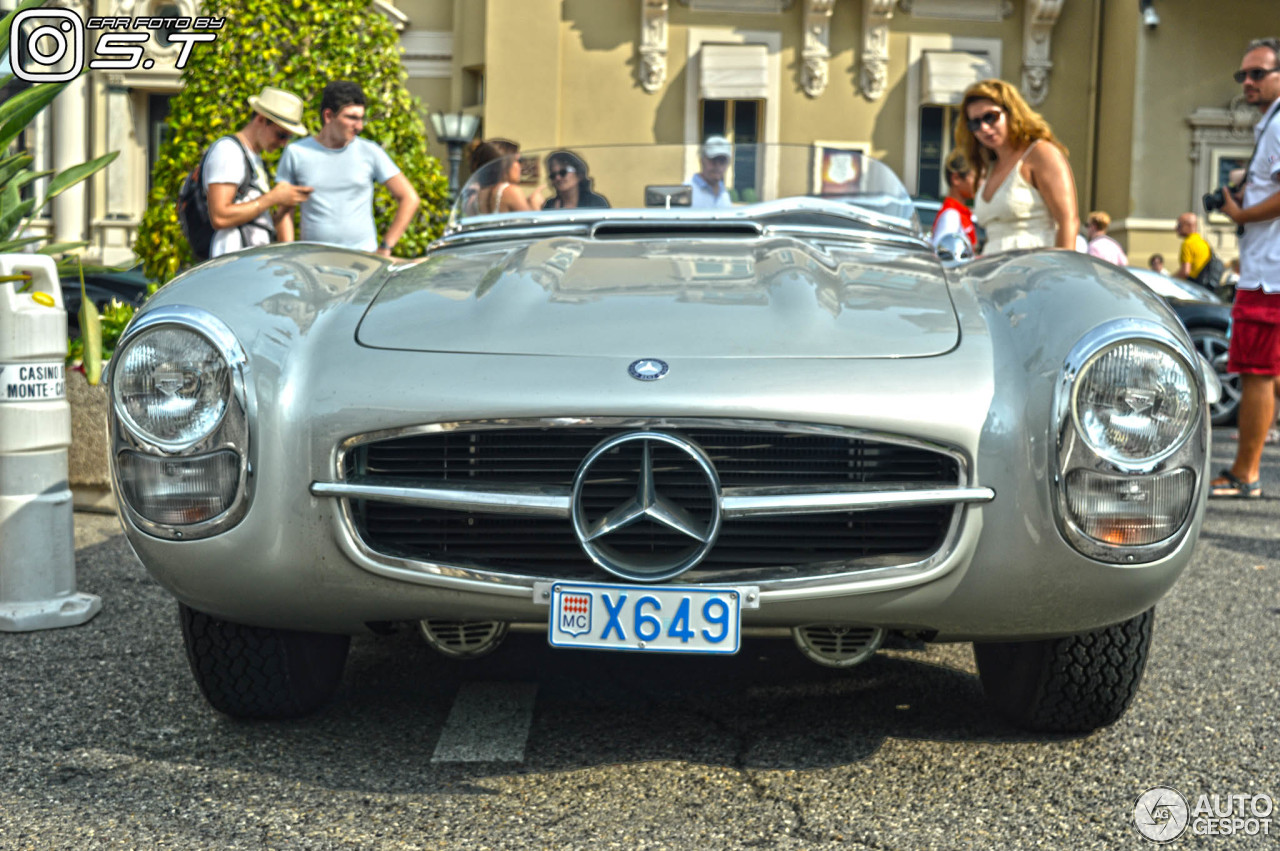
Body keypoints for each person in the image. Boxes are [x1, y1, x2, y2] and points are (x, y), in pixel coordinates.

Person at [1209, 37, 1280, 498]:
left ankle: (1244, 473)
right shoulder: (1269, 125)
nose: (1248, 82)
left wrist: (1240, 214)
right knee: (1269, 373)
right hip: (1267, 268)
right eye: (1243, 75)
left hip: (1268, 274)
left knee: (1256, 371)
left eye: (1258, 73)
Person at [275, 81, 420, 257]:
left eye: (361, 118)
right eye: (352, 117)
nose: (359, 126)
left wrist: (386, 247)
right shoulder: (296, 153)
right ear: (328, 116)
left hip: (364, 261)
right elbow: (284, 210)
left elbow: (409, 198)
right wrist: (289, 255)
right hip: (313, 262)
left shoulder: (370, 151)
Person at [957, 79, 1079, 252]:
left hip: (1035, 269)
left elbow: (1068, 221)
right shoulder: (990, 166)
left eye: (990, 117)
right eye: (975, 123)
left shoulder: (1040, 154)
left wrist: (1062, 273)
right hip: (993, 271)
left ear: (1011, 113)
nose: (984, 128)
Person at [204, 86, 313, 258]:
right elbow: (220, 217)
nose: (284, 143)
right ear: (261, 119)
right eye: (281, 135)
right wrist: (273, 198)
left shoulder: (254, 158)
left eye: (288, 137)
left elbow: (257, 222)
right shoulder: (228, 151)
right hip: (231, 266)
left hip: (248, 266)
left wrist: (284, 205)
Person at [464, 140, 541, 215]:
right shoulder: (510, 191)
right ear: (505, 164)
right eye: (518, 161)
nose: (520, 166)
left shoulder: (474, 198)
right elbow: (532, 224)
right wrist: (535, 205)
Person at [930, 149, 977, 251]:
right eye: (974, 177)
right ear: (956, 179)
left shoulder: (960, 213)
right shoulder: (951, 216)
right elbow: (944, 255)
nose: (978, 183)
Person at [542, 150, 610, 209]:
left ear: (579, 174)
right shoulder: (550, 205)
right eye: (553, 175)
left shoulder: (596, 203)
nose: (558, 178)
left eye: (563, 172)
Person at [687, 135, 734, 208]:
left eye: (722, 161)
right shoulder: (687, 191)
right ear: (702, 161)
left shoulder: (724, 193)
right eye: (713, 160)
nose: (717, 166)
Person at [1173, 212, 1212, 282]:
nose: (1175, 228)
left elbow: (1185, 272)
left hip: (1192, 284)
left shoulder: (1188, 244)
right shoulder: (1203, 242)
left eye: (1179, 225)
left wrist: (1170, 279)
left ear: (1189, 225)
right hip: (1203, 285)